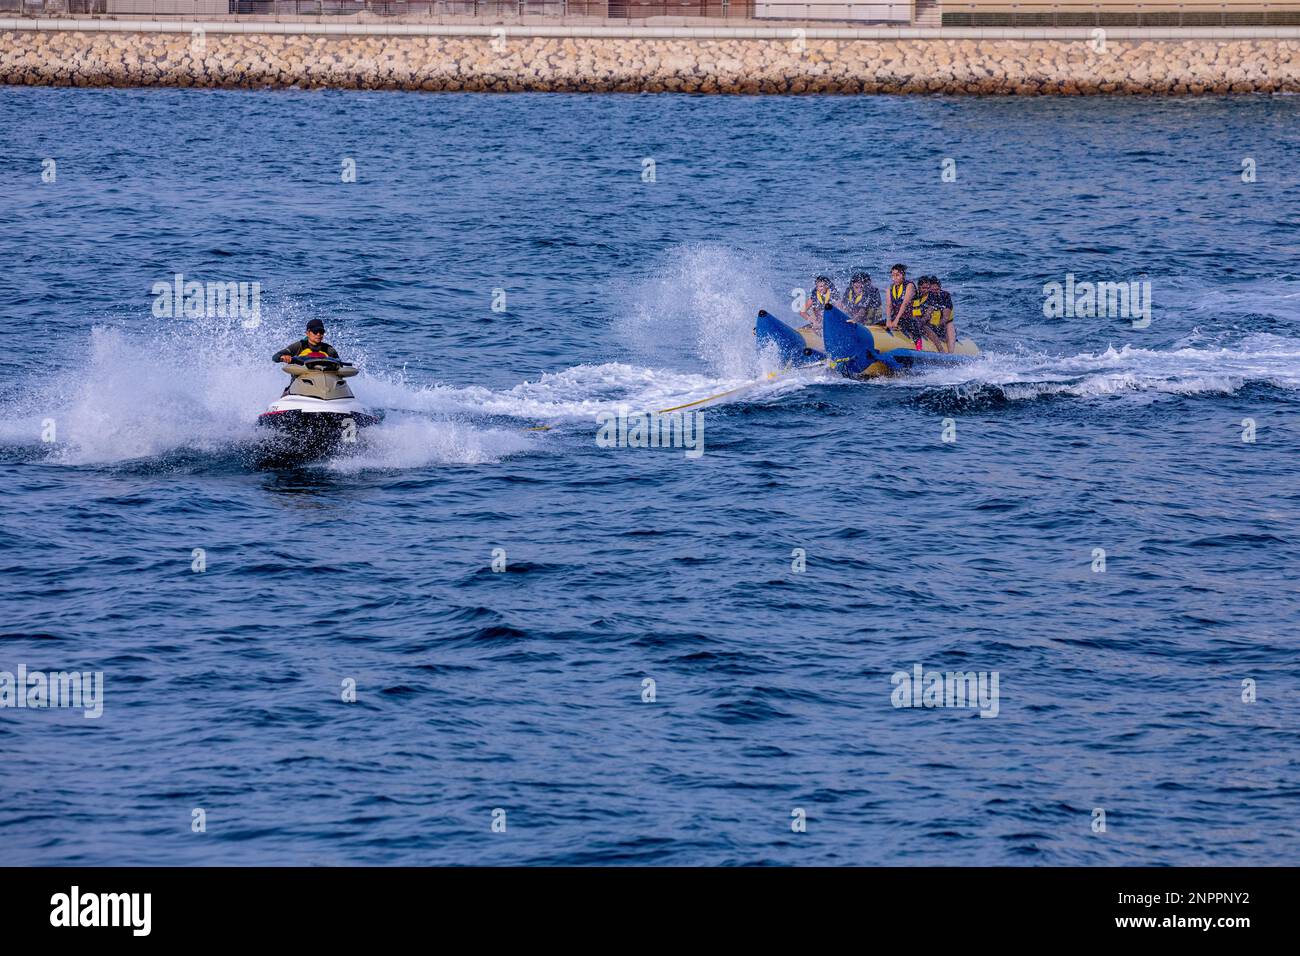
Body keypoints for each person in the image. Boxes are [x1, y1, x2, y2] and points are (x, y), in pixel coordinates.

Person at [272, 318, 338, 364]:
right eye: (315, 331)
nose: (318, 334)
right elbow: (275, 357)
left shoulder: (329, 350)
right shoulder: (298, 346)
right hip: (301, 379)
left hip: (323, 379)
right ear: (308, 333)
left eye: (321, 332)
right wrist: (283, 357)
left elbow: (340, 365)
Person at [885, 264, 920, 343]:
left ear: (903, 275)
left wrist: (896, 320)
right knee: (880, 323)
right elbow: (889, 305)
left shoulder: (909, 286)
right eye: (893, 275)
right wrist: (888, 320)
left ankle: (918, 347)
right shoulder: (890, 288)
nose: (894, 278)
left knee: (914, 329)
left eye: (897, 275)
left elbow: (905, 304)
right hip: (897, 318)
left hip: (911, 319)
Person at [925, 276, 957, 353]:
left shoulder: (945, 296)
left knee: (950, 324)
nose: (935, 292)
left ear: (940, 288)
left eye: (937, 289)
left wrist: (937, 326)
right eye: (932, 290)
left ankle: (951, 353)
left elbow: (946, 317)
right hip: (929, 324)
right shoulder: (925, 296)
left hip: (942, 325)